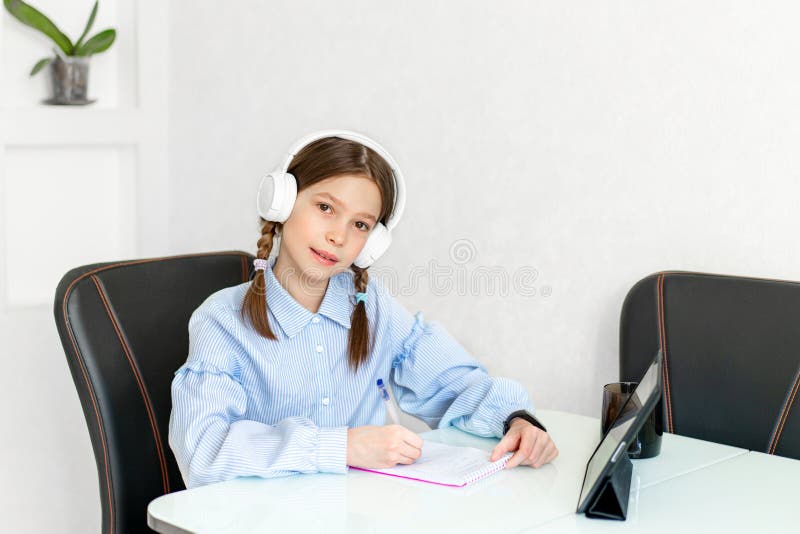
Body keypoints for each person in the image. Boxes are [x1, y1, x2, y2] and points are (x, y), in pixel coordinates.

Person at [168, 130, 558, 488]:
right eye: (325, 207)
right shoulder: (222, 321)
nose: (338, 235)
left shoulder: (371, 307)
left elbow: (455, 384)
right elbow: (203, 450)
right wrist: (342, 447)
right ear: (282, 201)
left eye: (360, 225)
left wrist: (516, 419)